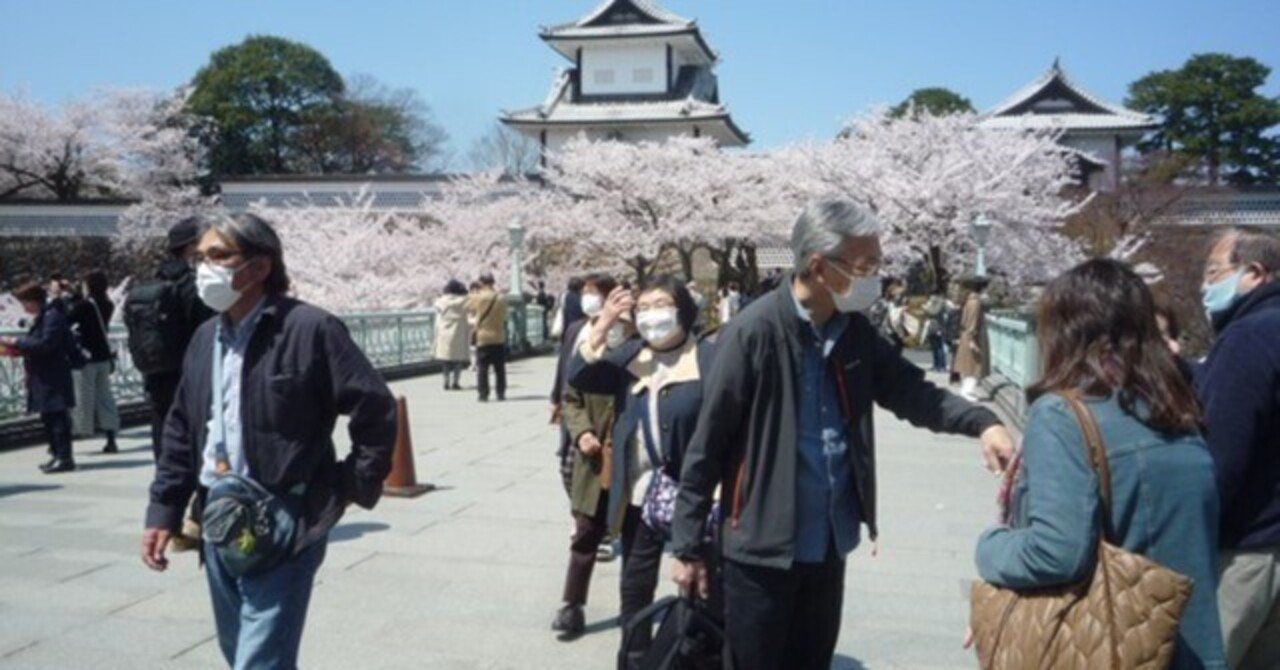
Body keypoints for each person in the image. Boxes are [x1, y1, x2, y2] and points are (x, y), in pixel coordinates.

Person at [670, 199, 1015, 670]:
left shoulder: (854, 332)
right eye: (865, 265)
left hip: (828, 540)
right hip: (760, 549)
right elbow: (706, 444)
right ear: (818, 266)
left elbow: (912, 393)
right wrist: (687, 546)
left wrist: (982, 422)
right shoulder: (753, 333)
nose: (874, 276)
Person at [141, 213, 397, 669]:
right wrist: (164, 509)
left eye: (219, 256)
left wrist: (353, 483)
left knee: (259, 660)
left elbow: (374, 407)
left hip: (285, 513)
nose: (204, 268)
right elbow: (182, 429)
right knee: (238, 645)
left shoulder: (310, 328)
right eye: (200, 258)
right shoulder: (205, 338)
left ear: (260, 267)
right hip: (216, 514)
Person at [972, 258, 1224, 669]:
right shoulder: (1180, 412)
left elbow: (1055, 552)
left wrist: (990, 547)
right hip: (1189, 646)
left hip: (1111, 647)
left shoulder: (1062, 415)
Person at [567, 275, 718, 661]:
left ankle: (695, 656)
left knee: (700, 585)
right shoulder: (633, 355)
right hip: (640, 495)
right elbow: (581, 375)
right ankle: (634, 658)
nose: (653, 316)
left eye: (662, 305)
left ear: (683, 309)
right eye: (644, 308)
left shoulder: (708, 358)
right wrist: (603, 323)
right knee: (634, 587)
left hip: (697, 495)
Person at [1196, 226, 1280, 669]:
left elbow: (1222, 455)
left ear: (1254, 273)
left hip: (1246, 549)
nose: (1206, 286)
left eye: (1214, 272)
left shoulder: (1248, 338)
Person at [551, 273, 624, 638]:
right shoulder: (587, 343)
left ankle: (636, 609)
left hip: (634, 460)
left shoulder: (644, 348)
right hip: (594, 458)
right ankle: (572, 604)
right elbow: (572, 394)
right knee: (585, 534)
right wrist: (581, 432)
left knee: (641, 544)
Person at [125, 217, 216, 460]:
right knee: (192, 429)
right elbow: (208, 327)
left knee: (163, 426)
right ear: (191, 247)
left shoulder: (150, 281)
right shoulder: (193, 284)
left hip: (156, 371)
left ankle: (165, 477)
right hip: (188, 371)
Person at [0, 282, 80, 473]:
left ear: (34, 300)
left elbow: (46, 343)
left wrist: (18, 341)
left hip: (53, 375)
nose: (24, 307)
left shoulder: (52, 317)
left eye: (25, 302)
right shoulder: (45, 316)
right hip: (44, 374)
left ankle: (64, 457)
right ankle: (56, 454)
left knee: (58, 417)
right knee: (49, 417)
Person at [551, 273, 614, 497]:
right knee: (566, 461)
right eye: (584, 293)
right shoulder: (575, 328)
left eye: (593, 293)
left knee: (590, 464)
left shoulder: (617, 331)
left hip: (595, 406)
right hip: (570, 400)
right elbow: (563, 364)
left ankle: (586, 513)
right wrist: (555, 398)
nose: (587, 298)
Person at [66, 270, 121, 453]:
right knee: (105, 397)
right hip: (104, 356)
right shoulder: (108, 304)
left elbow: (68, 318)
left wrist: (71, 296)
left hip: (86, 358)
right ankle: (111, 437)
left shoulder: (84, 305)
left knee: (83, 398)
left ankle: (78, 434)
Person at [467, 273, 508, 402]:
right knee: (499, 368)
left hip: (483, 336)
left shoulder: (478, 297)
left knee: (482, 367)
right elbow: (505, 316)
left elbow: (468, 307)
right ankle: (500, 392)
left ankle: (483, 394)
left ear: (481, 283)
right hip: (498, 336)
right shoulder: (501, 298)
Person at [953, 277, 990, 401]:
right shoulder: (975, 302)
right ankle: (967, 391)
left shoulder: (969, 300)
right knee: (974, 364)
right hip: (971, 336)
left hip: (965, 335)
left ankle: (965, 389)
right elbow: (972, 321)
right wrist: (972, 339)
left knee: (967, 364)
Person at [433, 279, 471, 391]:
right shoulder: (463, 301)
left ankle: (445, 381)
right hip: (458, 331)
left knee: (446, 360)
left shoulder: (441, 301)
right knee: (457, 360)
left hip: (444, 331)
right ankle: (456, 382)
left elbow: (437, 310)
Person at [923, 290, 949, 373]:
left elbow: (934, 312)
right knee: (934, 347)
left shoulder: (940, 302)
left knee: (939, 348)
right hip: (932, 327)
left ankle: (942, 366)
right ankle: (936, 365)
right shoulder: (933, 302)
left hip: (938, 327)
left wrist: (926, 308)